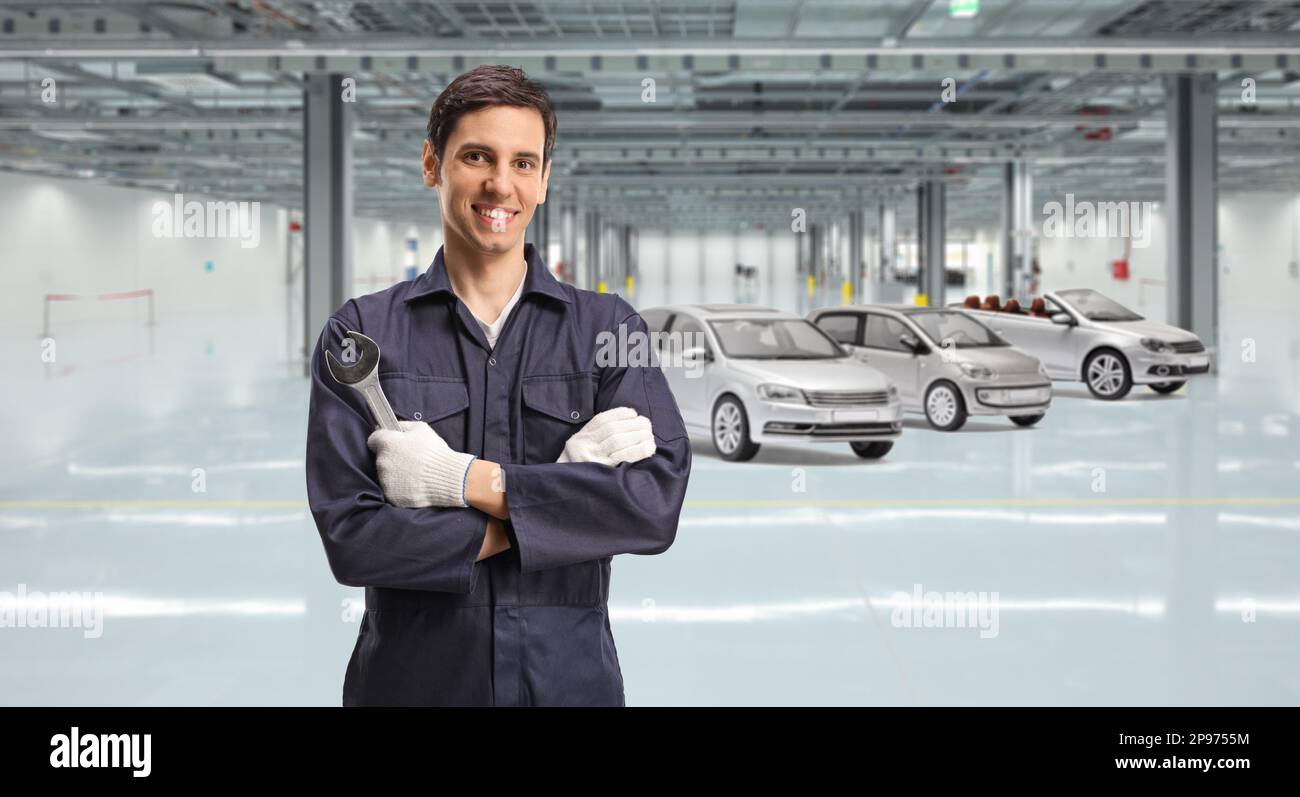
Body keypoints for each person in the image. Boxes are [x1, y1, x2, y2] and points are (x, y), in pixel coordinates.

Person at [305, 65, 692, 706]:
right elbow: (354, 539)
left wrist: (462, 482)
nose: (499, 185)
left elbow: (652, 505)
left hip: (568, 687)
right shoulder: (361, 334)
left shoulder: (607, 329)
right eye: (477, 156)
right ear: (433, 163)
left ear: (544, 179)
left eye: (523, 162)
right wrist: (557, 503)